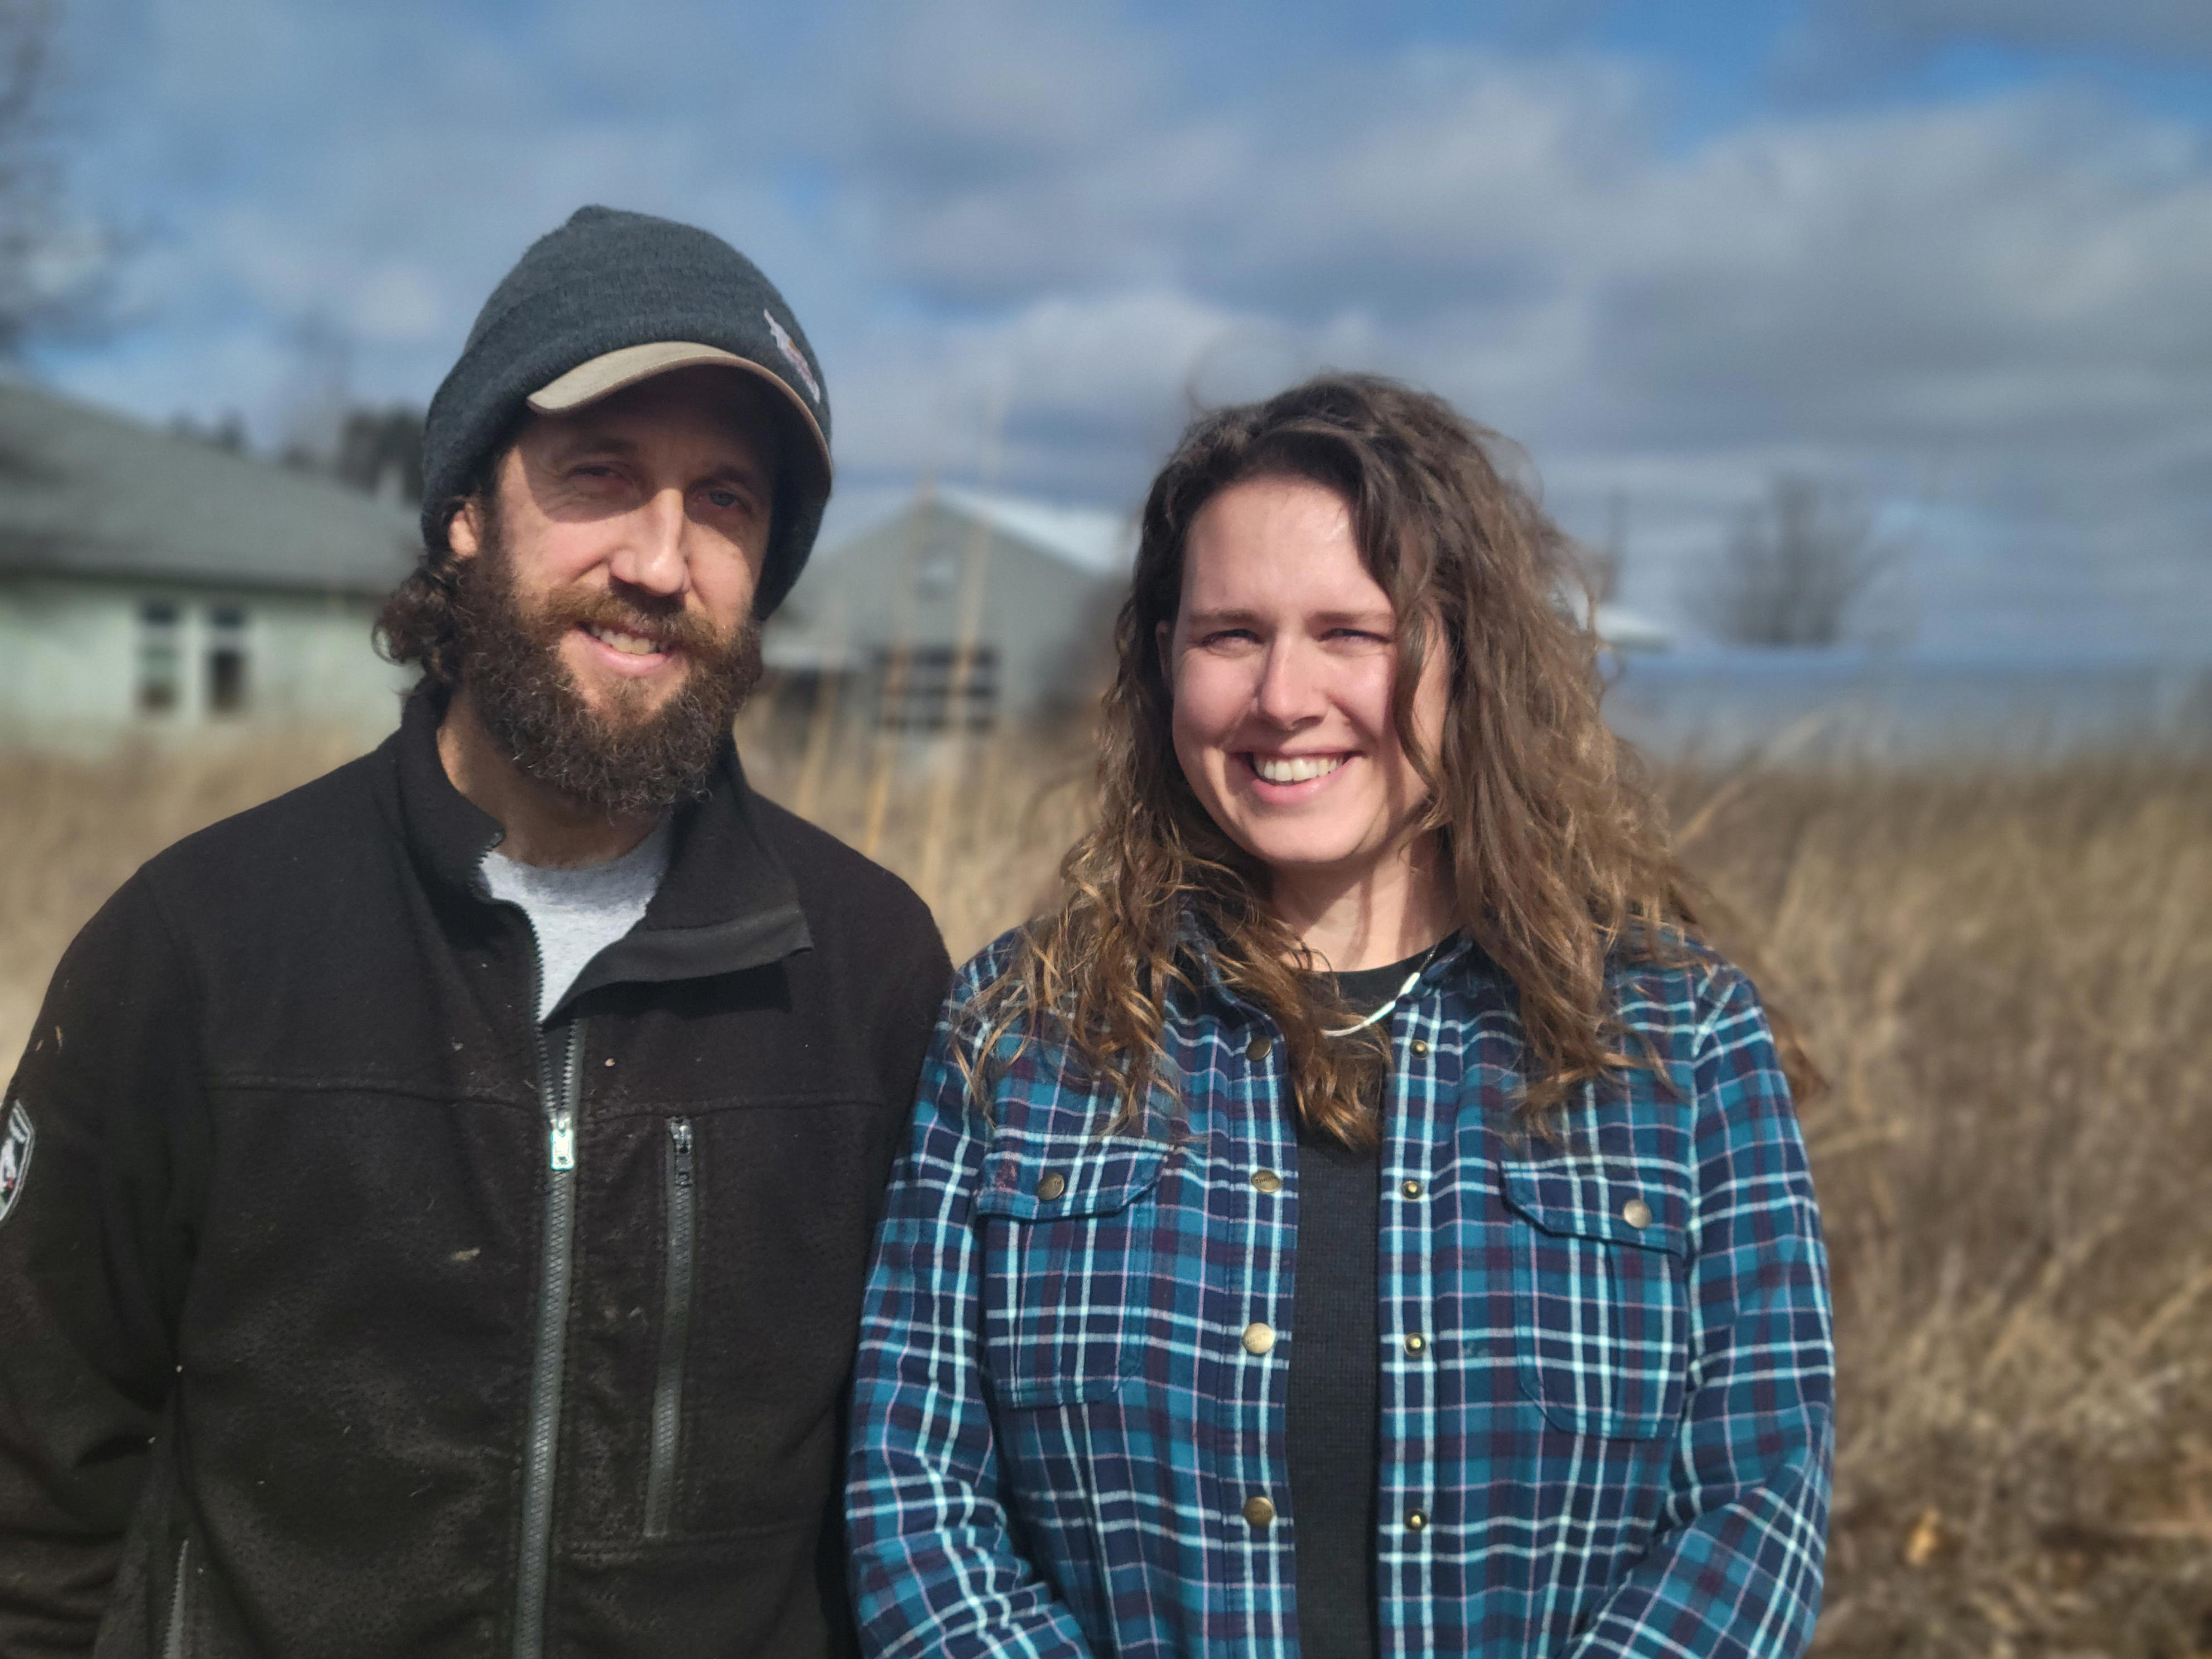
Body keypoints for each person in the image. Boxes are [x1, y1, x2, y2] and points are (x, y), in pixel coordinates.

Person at [0, 206, 951, 1657]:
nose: (658, 556)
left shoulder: (867, 970)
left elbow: (914, 1495)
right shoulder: (202, 943)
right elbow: (38, 1479)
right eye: (599, 476)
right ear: (464, 504)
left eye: (725, 503)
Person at [847, 374, 1834, 1657]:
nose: (1283, 697)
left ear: (1465, 654)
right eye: (1231, 634)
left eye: (1353, 633)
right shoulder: (1016, 1030)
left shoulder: (1677, 1038)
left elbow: (1757, 1505)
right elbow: (913, 1487)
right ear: (1163, 661)